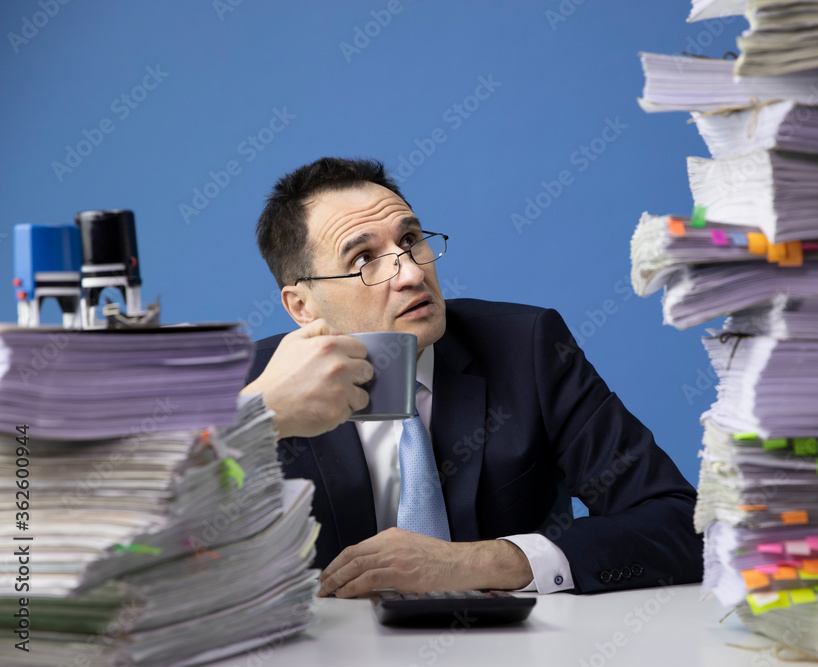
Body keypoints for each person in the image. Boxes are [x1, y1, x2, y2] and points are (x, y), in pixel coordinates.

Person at [242, 157, 702, 598]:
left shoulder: (527, 349)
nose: (409, 272)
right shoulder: (253, 386)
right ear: (302, 306)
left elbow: (681, 522)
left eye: (409, 240)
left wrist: (476, 563)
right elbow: (176, 553)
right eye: (364, 259)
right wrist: (255, 416)